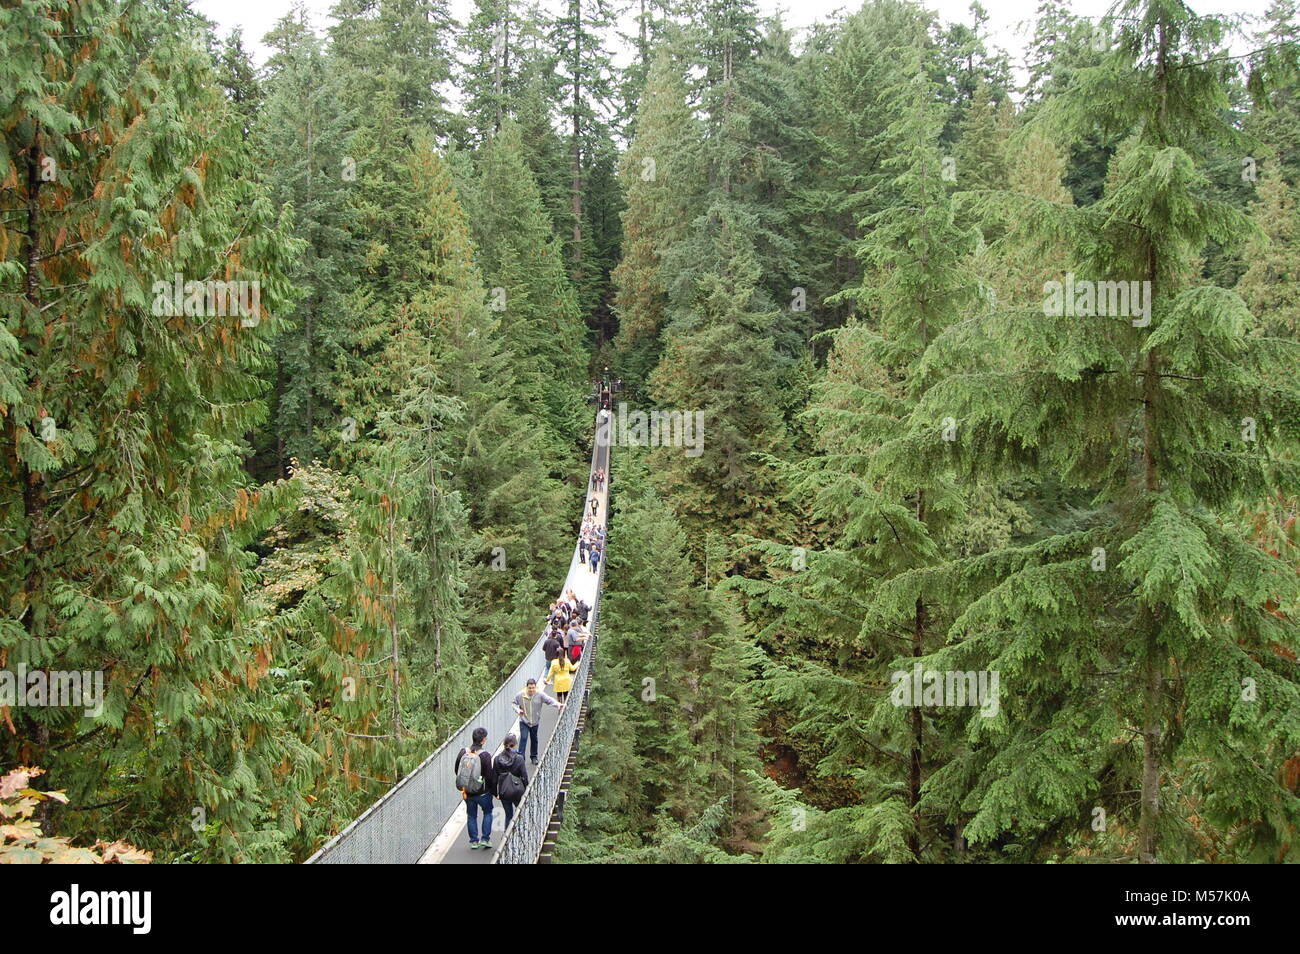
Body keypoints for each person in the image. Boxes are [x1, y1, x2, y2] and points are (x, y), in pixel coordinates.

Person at [454, 727, 495, 849]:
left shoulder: (463, 752)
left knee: (471, 815)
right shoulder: (485, 755)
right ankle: (485, 839)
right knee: (488, 812)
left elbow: (457, 770)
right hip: (483, 792)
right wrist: (492, 791)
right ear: (483, 740)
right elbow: (489, 776)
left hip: (467, 791)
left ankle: (473, 841)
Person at [513, 678, 563, 764]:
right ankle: (520, 758)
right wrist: (518, 710)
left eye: (533, 688)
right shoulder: (520, 695)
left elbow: (549, 700)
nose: (531, 690)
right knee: (524, 738)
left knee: (534, 739)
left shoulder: (540, 695)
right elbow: (513, 703)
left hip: (535, 721)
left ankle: (534, 757)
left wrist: (558, 704)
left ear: (535, 687)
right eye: (530, 688)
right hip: (524, 720)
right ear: (526, 687)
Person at [494, 733, 529, 828]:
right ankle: (522, 833)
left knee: (508, 815)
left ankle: (507, 836)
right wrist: (527, 789)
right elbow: (524, 776)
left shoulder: (497, 759)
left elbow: (494, 778)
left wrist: (495, 793)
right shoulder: (519, 758)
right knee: (521, 812)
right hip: (517, 790)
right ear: (515, 744)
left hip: (504, 791)